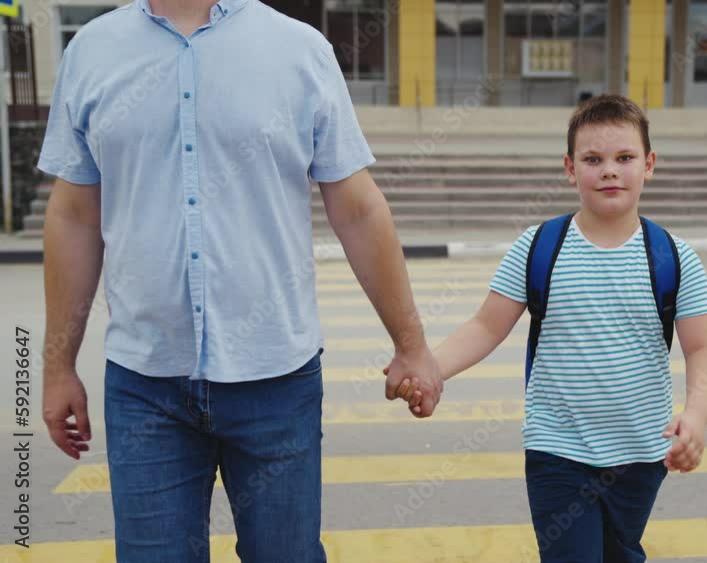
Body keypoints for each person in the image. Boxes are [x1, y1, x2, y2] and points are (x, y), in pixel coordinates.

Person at [37, 0, 441, 561]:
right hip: (145, 384)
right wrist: (58, 368)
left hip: (277, 378)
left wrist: (411, 344)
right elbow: (75, 216)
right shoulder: (90, 51)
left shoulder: (299, 50)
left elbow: (358, 211)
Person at [412, 94, 707, 561]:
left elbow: (704, 351)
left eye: (624, 158)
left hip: (641, 453)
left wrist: (696, 416)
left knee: (622, 554)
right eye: (593, 159)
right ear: (569, 167)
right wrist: (428, 370)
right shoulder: (540, 247)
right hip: (556, 450)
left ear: (649, 164)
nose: (610, 171)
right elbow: (484, 327)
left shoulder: (673, 257)